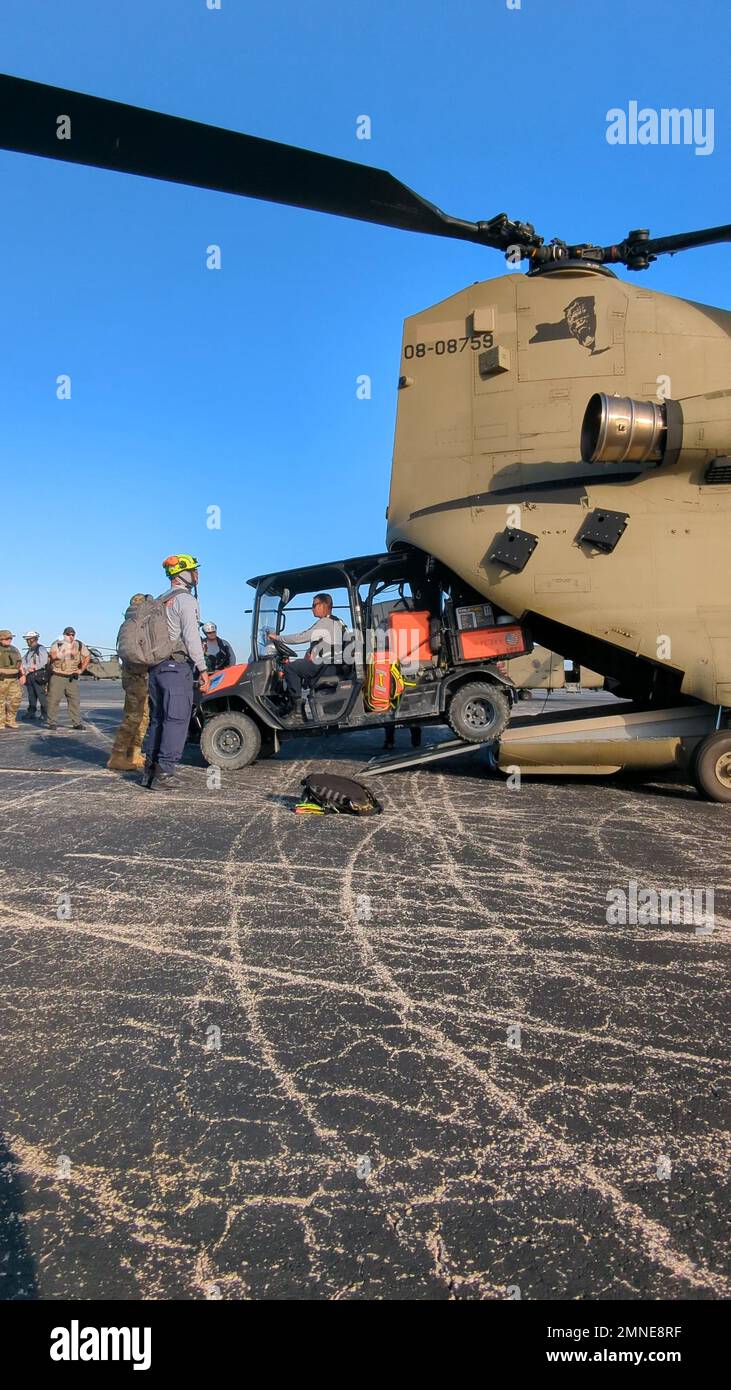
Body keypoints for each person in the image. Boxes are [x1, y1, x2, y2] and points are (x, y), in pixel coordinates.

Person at [141, 554, 207, 790]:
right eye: (193, 570)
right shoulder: (185, 600)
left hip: (156, 668)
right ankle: (164, 774)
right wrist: (203, 669)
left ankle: (149, 771)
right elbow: (191, 638)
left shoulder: (160, 600)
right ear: (182, 574)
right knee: (176, 721)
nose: (197, 574)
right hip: (176, 668)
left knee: (158, 719)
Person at [267, 593, 347, 706]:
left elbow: (302, 637)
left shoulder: (326, 622)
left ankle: (296, 709)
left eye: (314, 605)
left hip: (326, 667)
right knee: (299, 664)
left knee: (290, 668)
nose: (312, 609)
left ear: (323, 605)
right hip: (331, 665)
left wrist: (278, 638)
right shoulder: (337, 622)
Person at [107, 595, 152, 773]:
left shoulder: (138, 625)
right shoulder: (131, 627)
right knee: (133, 717)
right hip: (135, 677)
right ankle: (117, 756)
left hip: (143, 677)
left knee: (143, 717)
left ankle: (134, 753)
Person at [47, 627, 91, 730]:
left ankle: (76, 722)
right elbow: (52, 656)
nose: (70, 636)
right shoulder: (57, 644)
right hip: (59, 675)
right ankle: (52, 722)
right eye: (68, 634)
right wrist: (65, 652)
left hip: (72, 677)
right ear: (64, 635)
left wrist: (81, 669)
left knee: (74, 700)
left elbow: (87, 656)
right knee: (54, 700)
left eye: (72, 634)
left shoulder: (79, 645)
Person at [20, 630, 49, 722]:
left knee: (41, 696)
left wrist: (35, 667)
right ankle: (31, 712)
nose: (27, 641)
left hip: (39, 675)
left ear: (34, 639)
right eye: (27, 639)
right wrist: (26, 668)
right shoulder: (29, 651)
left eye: (28, 639)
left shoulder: (41, 648)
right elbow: (23, 662)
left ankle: (45, 714)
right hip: (30, 676)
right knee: (31, 695)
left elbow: (44, 661)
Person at [0, 630, 24, 730]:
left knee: (16, 699)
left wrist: (22, 674)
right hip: (1, 679)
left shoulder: (14, 649)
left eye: (10, 638)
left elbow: (19, 663)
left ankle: (10, 720)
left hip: (14, 679)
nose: (9, 640)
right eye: (7, 638)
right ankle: (1, 722)